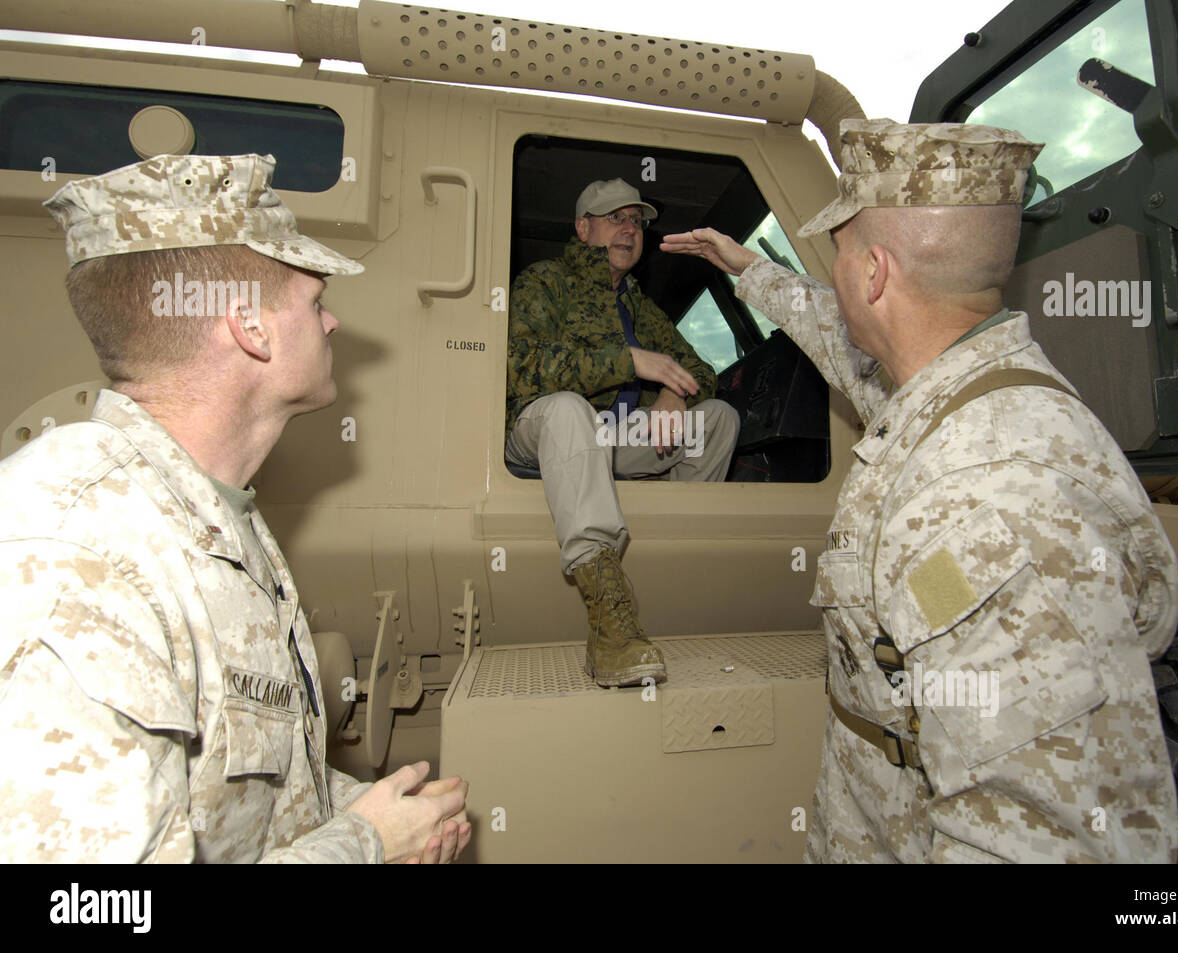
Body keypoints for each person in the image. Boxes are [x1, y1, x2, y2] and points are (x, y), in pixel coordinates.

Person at [662, 119, 1178, 862]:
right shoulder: (944, 389)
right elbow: (834, 334)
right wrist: (749, 269)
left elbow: (1033, 836)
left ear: (873, 274)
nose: (832, 269)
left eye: (837, 249)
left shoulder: (988, 499)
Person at [0, 153, 470, 863]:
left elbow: (237, 804)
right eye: (314, 301)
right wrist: (365, 843)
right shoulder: (69, 559)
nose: (334, 321)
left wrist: (375, 816)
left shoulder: (218, 519)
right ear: (251, 328)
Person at [506, 177, 740, 687]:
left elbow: (703, 371)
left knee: (719, 419)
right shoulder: (544, 282)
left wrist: (673, 392)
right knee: (571, 410)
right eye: (616, 218)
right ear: (582, 227)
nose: (629, 229)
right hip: (543, 430)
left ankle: (671, 561)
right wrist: (627, 360)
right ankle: (609, 615)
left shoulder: (639, 305)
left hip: (614, 440)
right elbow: (519, 368)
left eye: (636, 220)